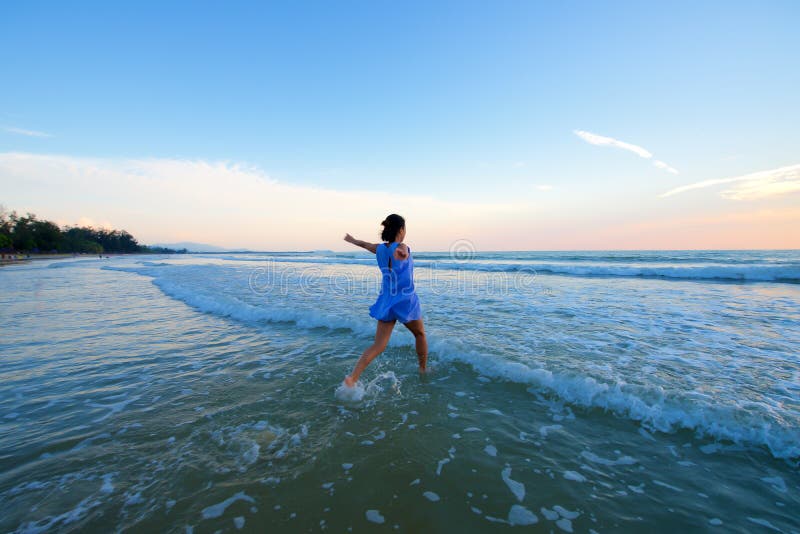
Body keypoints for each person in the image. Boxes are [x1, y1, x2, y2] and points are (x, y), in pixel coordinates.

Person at [342, 214, 428, 387]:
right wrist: (402, 249)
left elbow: (364, 244)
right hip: (405, 301)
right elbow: (403, 247)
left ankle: (353, 378)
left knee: (378, 345)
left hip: (387, 301)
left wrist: (352, 240)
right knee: (419, 334)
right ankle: (423, 369)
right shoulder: (403, 247)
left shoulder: (379, 249)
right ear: (401, 230)